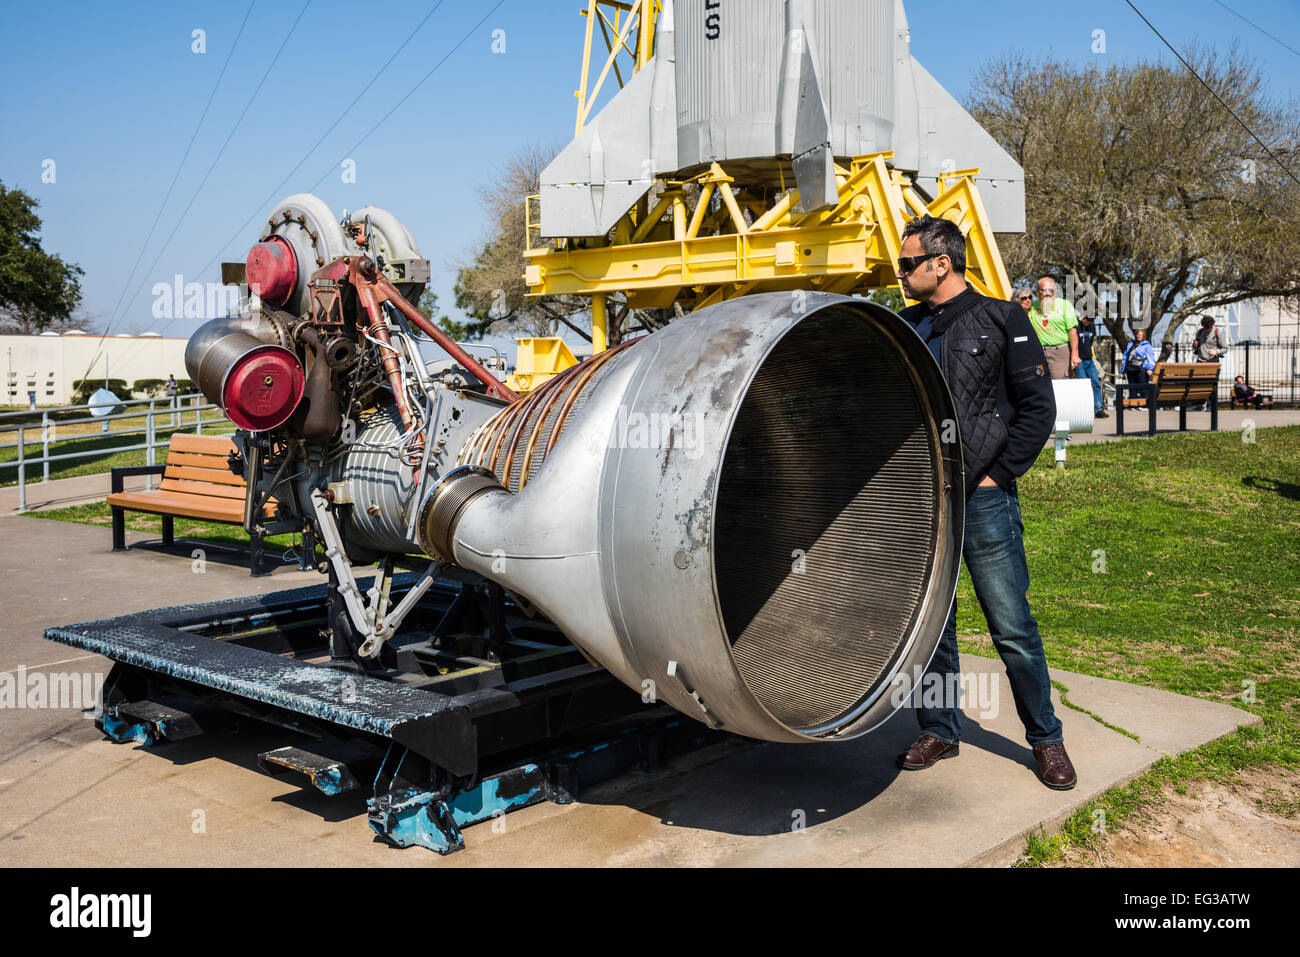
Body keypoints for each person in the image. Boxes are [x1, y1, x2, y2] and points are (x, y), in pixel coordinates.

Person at [896, 214, 1076, 791]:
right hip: (926, 505)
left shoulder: (1003, 317)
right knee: (931, 628)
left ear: (940, 262)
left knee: (1012, 625)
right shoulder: (905, 327)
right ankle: (940, 729)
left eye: (907, 264)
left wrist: (998, 476)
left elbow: (1037, 409)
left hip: (984, 500)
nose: (899, 273)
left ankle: (1046, 739)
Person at [1028, 278, 1080, 379]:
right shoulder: (1031, 306)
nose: (1048, 293)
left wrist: (1075, 354)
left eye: (1051, 290)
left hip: (1060, 352)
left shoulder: (1065, 305)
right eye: (1044, 290)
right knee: (1040, 384)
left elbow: (1072, 331)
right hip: (1038, 354)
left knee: (1060, 384)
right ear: (1037, 292)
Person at [1075, 315, 1107, 418]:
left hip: (1089, 360)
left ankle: (1098, 409)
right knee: (1083, 386)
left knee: (1096, 384)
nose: (1090, 322)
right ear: (1082, 317)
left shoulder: (1092, 326)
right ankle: (1085, 410)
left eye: (1092, 320)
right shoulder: (1075, 325)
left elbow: (1091, 341)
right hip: (1079, 361)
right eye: (1088, 320)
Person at [1121, 328, 1157, 402]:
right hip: (1130, 369)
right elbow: (1125, 357)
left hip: (1141, 369)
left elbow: (1150, 358)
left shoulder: (1147, 345)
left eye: (1140, 334)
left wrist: (1149, 368)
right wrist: (1123, 369)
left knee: (1143, 388)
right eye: (1137, 334)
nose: (1138, 336)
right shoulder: (1130, 345)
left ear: (1143, 336)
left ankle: (1144, 404)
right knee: (1132, 388)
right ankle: (1133, 403)